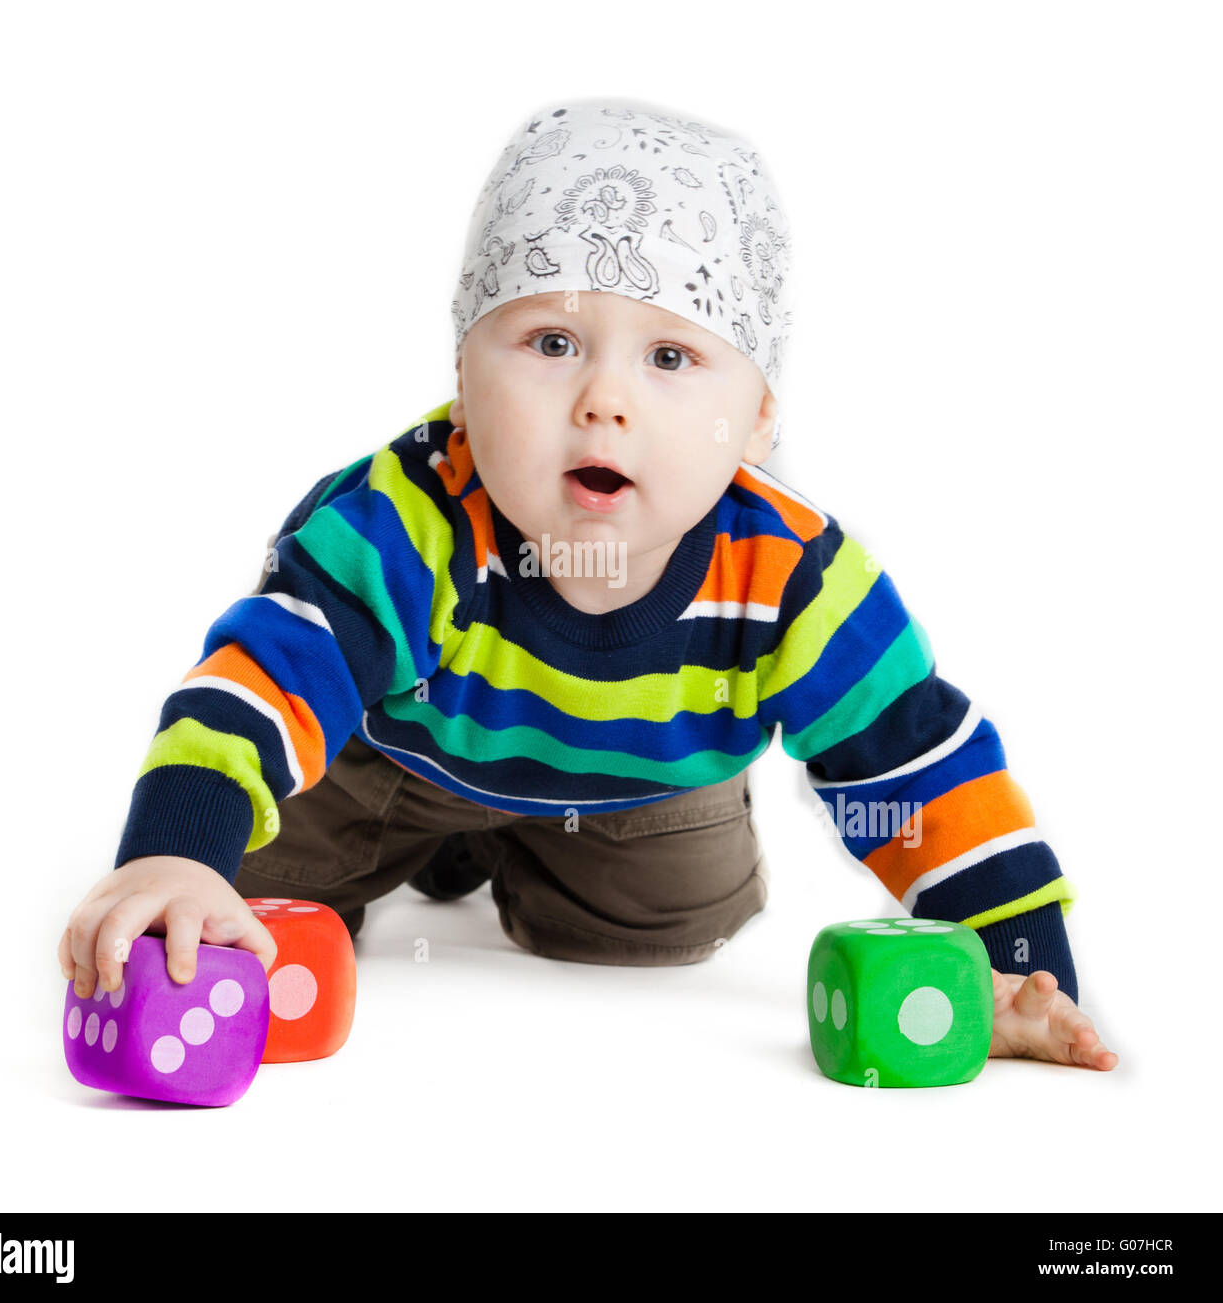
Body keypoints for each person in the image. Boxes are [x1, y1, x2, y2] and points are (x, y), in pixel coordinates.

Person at [59, 97, 1116, 1070]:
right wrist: (172, 856)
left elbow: (920, 764)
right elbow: (254, 679)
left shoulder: (793, 574)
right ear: (463, 380)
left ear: (755, 421)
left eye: (670, 359)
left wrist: (1023, 965)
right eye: (552, 342)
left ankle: (517, 856)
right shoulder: (408, 523)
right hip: (382, 754)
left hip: (639, 777)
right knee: (241, 905)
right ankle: (437, 841)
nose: (604, 398)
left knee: (669, 933)